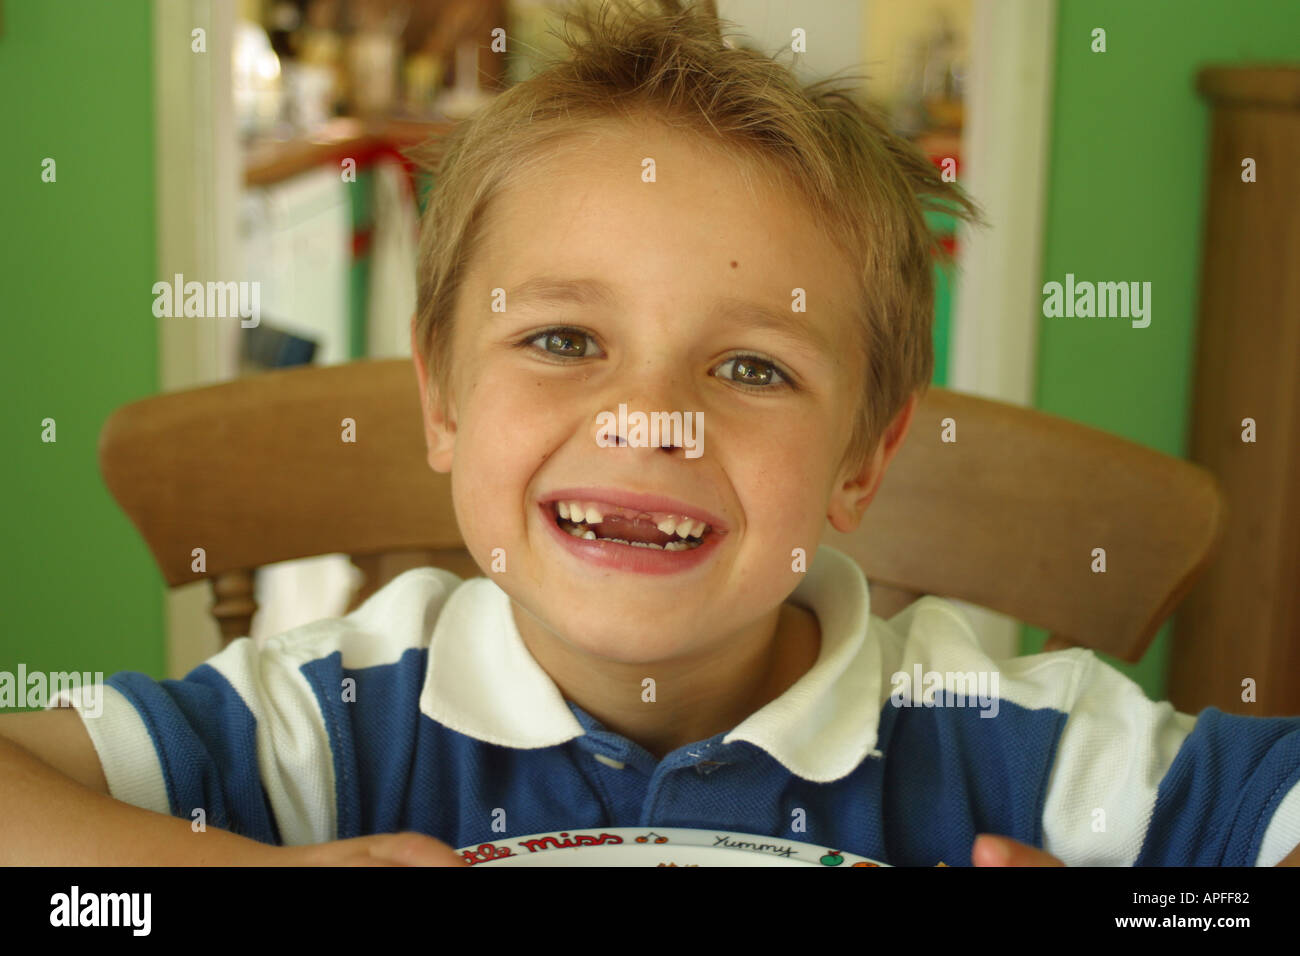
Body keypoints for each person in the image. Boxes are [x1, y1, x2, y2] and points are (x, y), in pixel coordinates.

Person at [3, 0, 1297, 868]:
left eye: (751, 364)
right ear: (444, 402)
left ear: (864, 460)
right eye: (563, 339)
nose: (650, 416)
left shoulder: (1009, 742)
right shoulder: (328, 726)